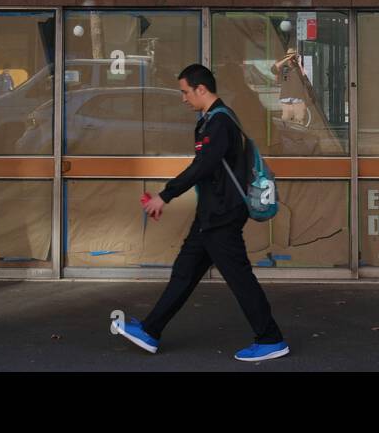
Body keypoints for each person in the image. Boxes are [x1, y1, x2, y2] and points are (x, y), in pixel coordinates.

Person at [115, 63, 288, 362]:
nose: (183, 99)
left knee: (240, 279)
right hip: (211, 215)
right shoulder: (212, 120)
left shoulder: (220, 122)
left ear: (201, 89)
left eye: (185, 92)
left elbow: (204, 165)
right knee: (184, 273)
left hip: (221, 216)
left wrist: (165, 195)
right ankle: (151, 330)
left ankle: (271, 338)